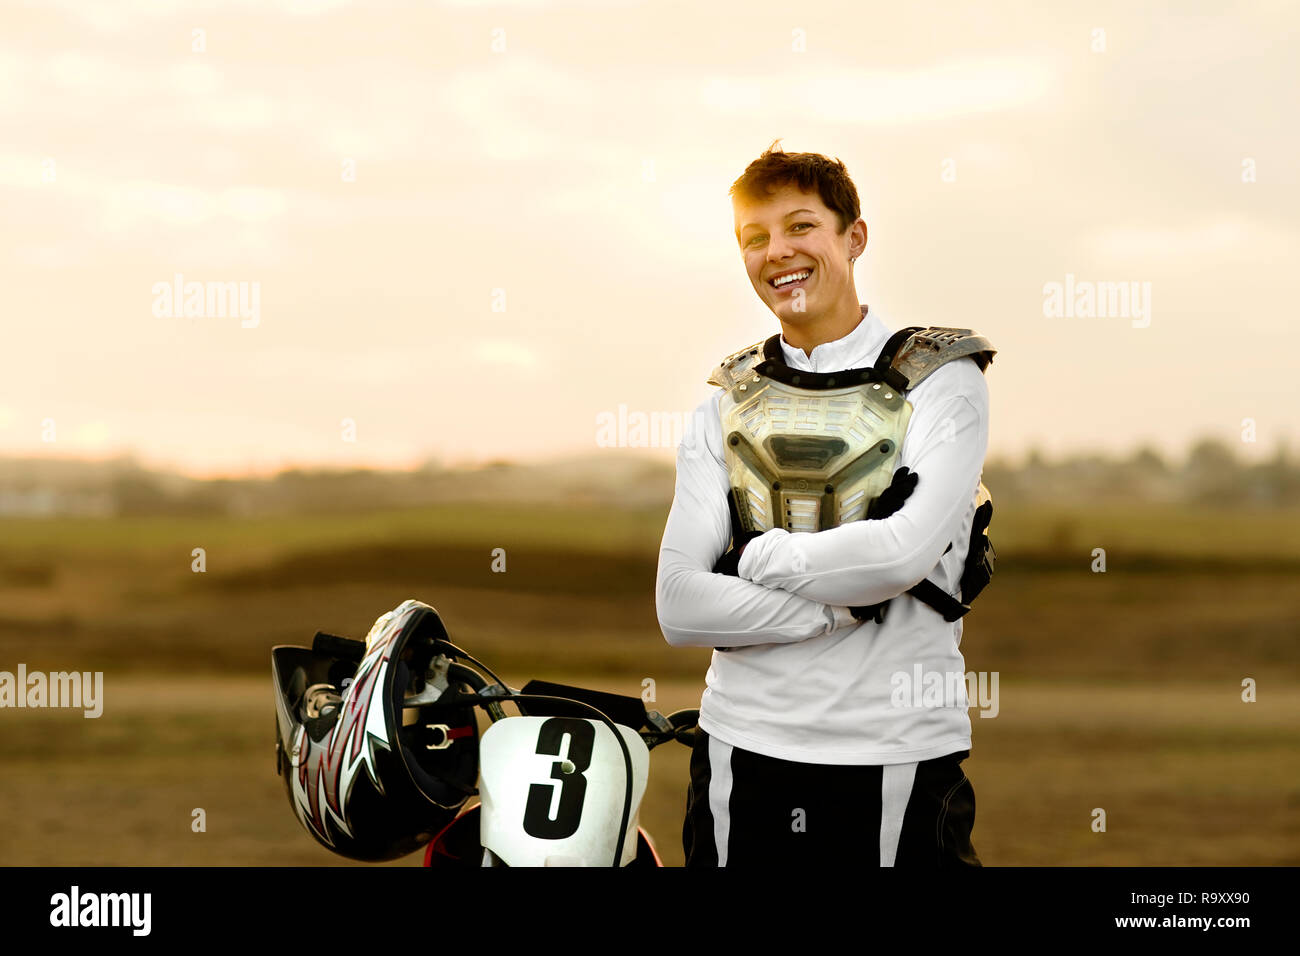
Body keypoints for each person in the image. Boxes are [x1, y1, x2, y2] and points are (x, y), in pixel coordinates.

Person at [654, 142, 994, 867]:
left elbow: (901, 555)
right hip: (738, 749)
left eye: (800, 226)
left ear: (854, 237)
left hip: (893, 753)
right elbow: (679, 604)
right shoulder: (726, 401)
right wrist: (840, 606)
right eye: (755, 238)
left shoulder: (941, 380)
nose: (777, 252)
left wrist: (759, 559)